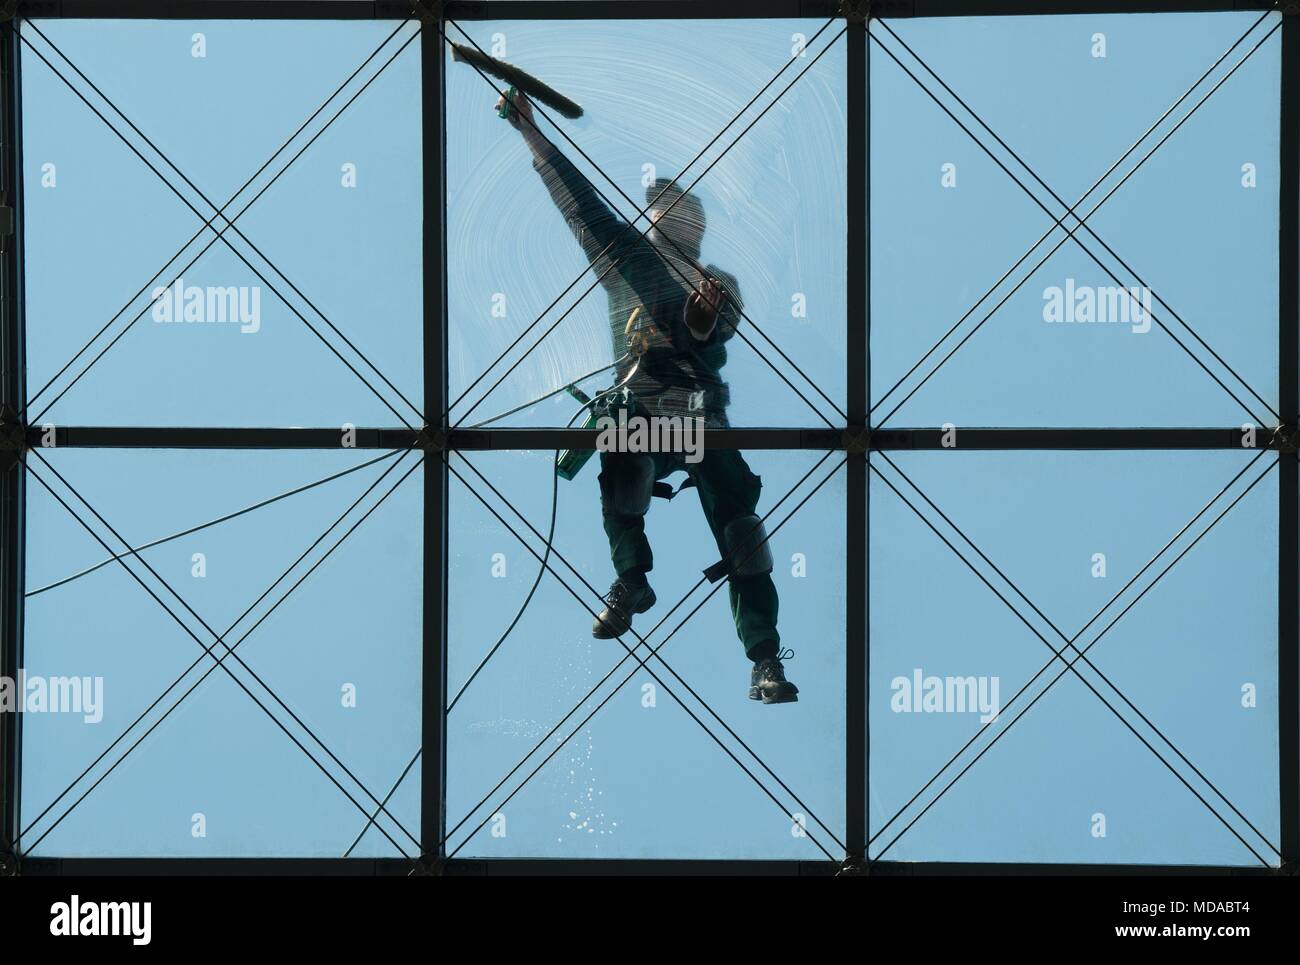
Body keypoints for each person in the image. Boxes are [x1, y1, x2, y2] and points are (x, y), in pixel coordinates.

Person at [498, 91, 797, 704]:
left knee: (743, 532)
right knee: (625, 472)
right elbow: (578, 203)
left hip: (698, 414)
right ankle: (631, 580)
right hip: (642, 407)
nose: (666, 217)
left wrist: (701, 316)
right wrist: (530, 132)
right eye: (660, 209)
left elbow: (711, 324)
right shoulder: (626, 258)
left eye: (677, 211)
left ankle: (764, 656)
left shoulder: (716, 282)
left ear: (695, 225)